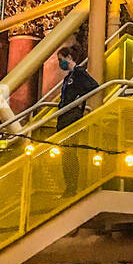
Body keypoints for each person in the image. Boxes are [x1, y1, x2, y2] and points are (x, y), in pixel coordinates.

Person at [55, 50, 99, 196]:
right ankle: (69, 186)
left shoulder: (79, 73)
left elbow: (93, 85)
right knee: (66, 154)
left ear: (69, 58)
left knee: (70, 154)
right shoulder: (69, 77)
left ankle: (72, 187)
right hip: (64, 117)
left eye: (61, 59)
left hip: (72, 117)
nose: (60, 63)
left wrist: (78, 102)